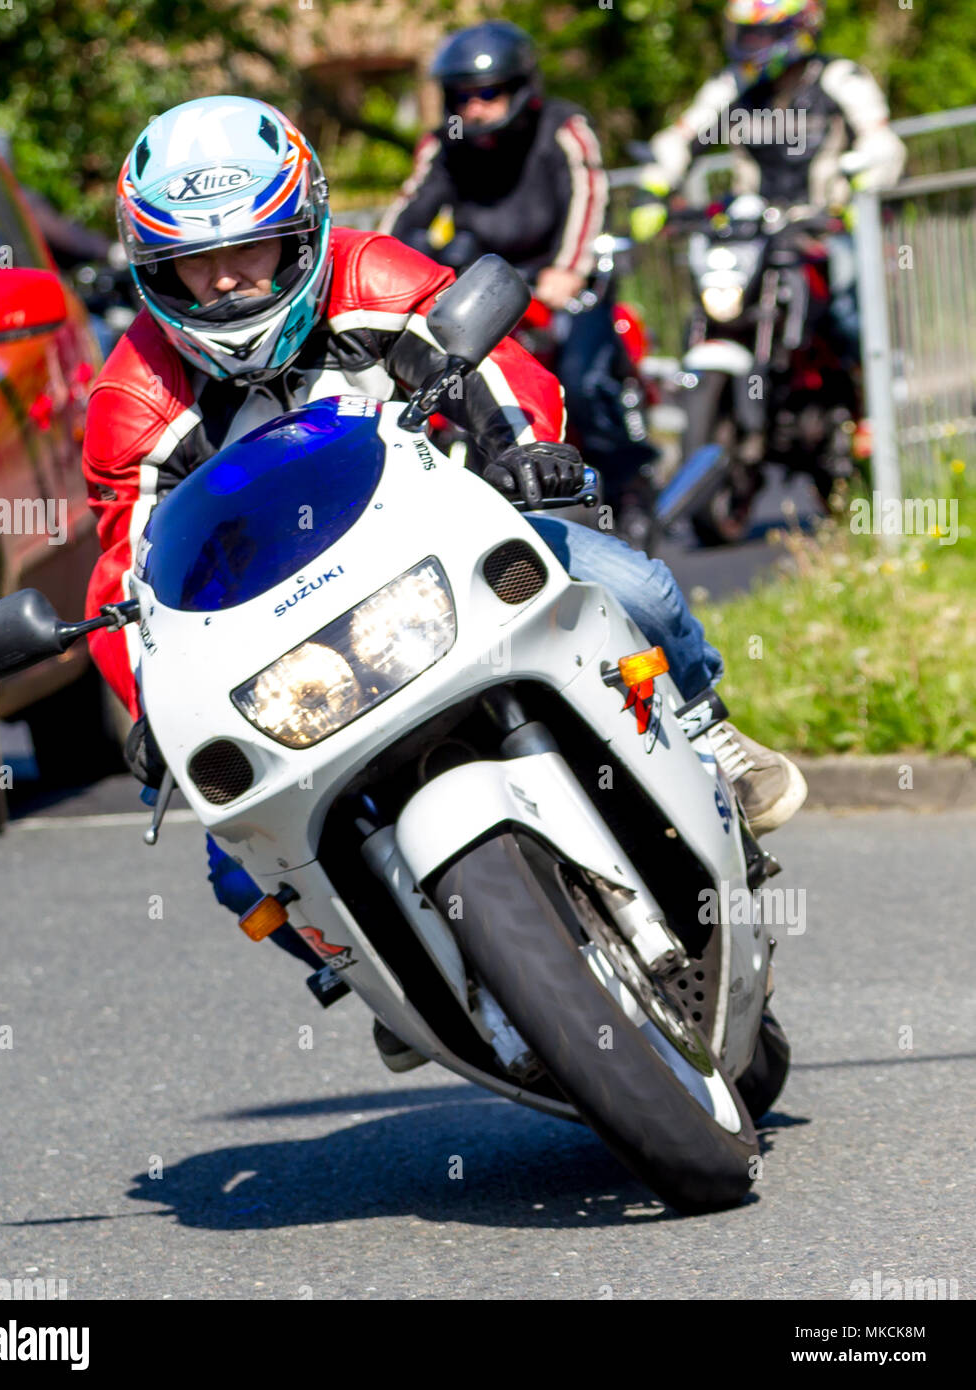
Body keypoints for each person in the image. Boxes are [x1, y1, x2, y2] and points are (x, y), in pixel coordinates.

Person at [83, 95, 806, 1071]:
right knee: (231, 864)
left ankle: (708, 725)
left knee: (624, 579)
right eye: (192, 264)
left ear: (305, 227)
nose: (223, 282)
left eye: (252, 249)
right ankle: (380, 962)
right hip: (282, 645)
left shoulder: (372, 274)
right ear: (150, 270)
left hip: (453, 555)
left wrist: (527, 452)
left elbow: (493, 357)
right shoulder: (133, 395)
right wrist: (146, 706)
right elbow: (122, 577)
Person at [380, 20, 658, 539]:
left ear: (521, 89)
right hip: (480, 289)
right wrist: (379, 275)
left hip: (562, 283)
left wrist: (568, 270)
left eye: (488, 94)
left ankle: (631, 487)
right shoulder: (444, 144)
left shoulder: (564, 126)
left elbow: (589, 193)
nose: (474, 108)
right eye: (462, 96)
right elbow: (402, 217)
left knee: (583, 381)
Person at [631, 0, 906, 365]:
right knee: (711, 302)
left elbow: (882, 142)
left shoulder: (840, 77)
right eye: (745, 31)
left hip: (823, 225)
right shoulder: (734, 83)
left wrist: (865, 188)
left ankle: (870, 400)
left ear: (798, 29)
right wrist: (653, 188)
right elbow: (681, 139)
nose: (751, 41)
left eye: (763, 32)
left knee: (845, 308)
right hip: (753, 227)